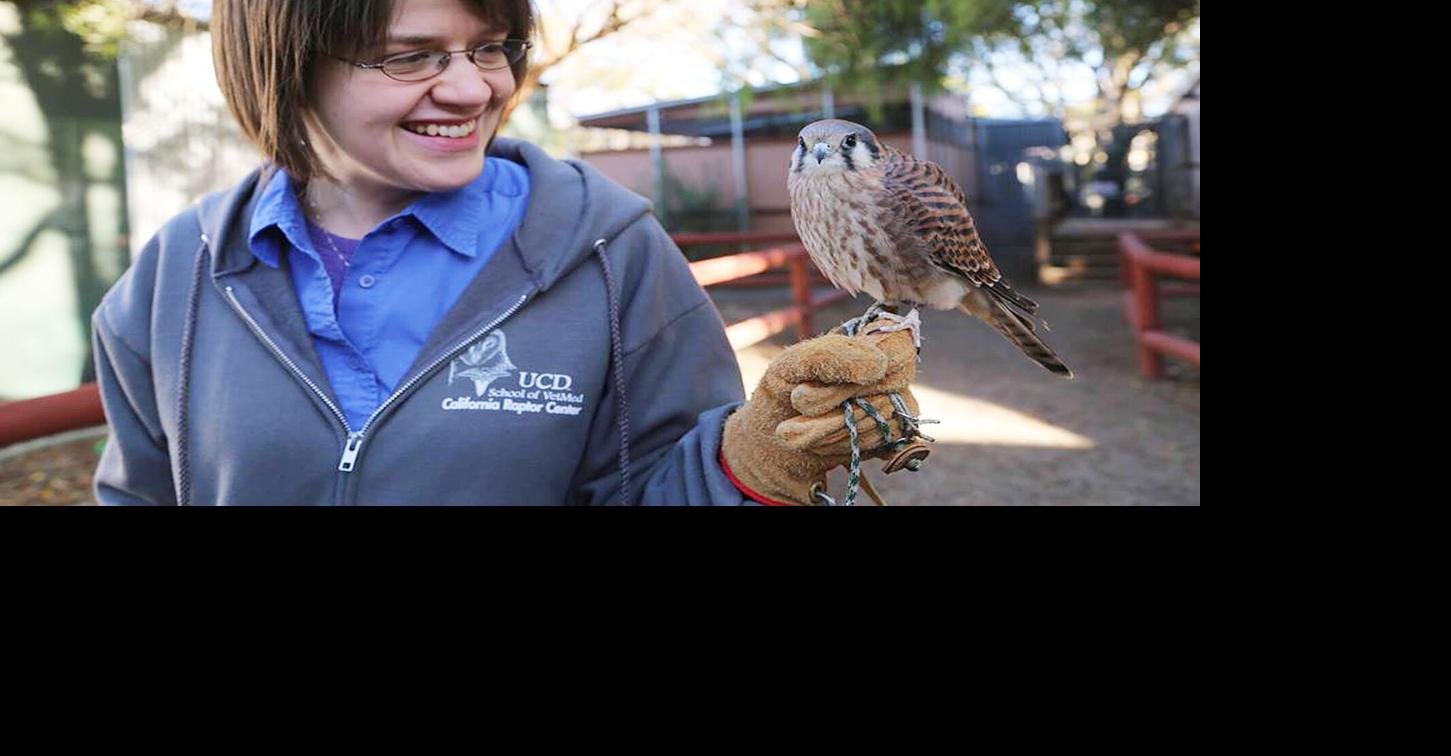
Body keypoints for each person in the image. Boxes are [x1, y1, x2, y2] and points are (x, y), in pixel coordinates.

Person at [90, 0, 920, 505]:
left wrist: (748, 467)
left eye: (490, 47)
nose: (473, 88)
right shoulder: (174, 279)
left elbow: (662, 489)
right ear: (284, 64)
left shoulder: (613, 254)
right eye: (409, 55)